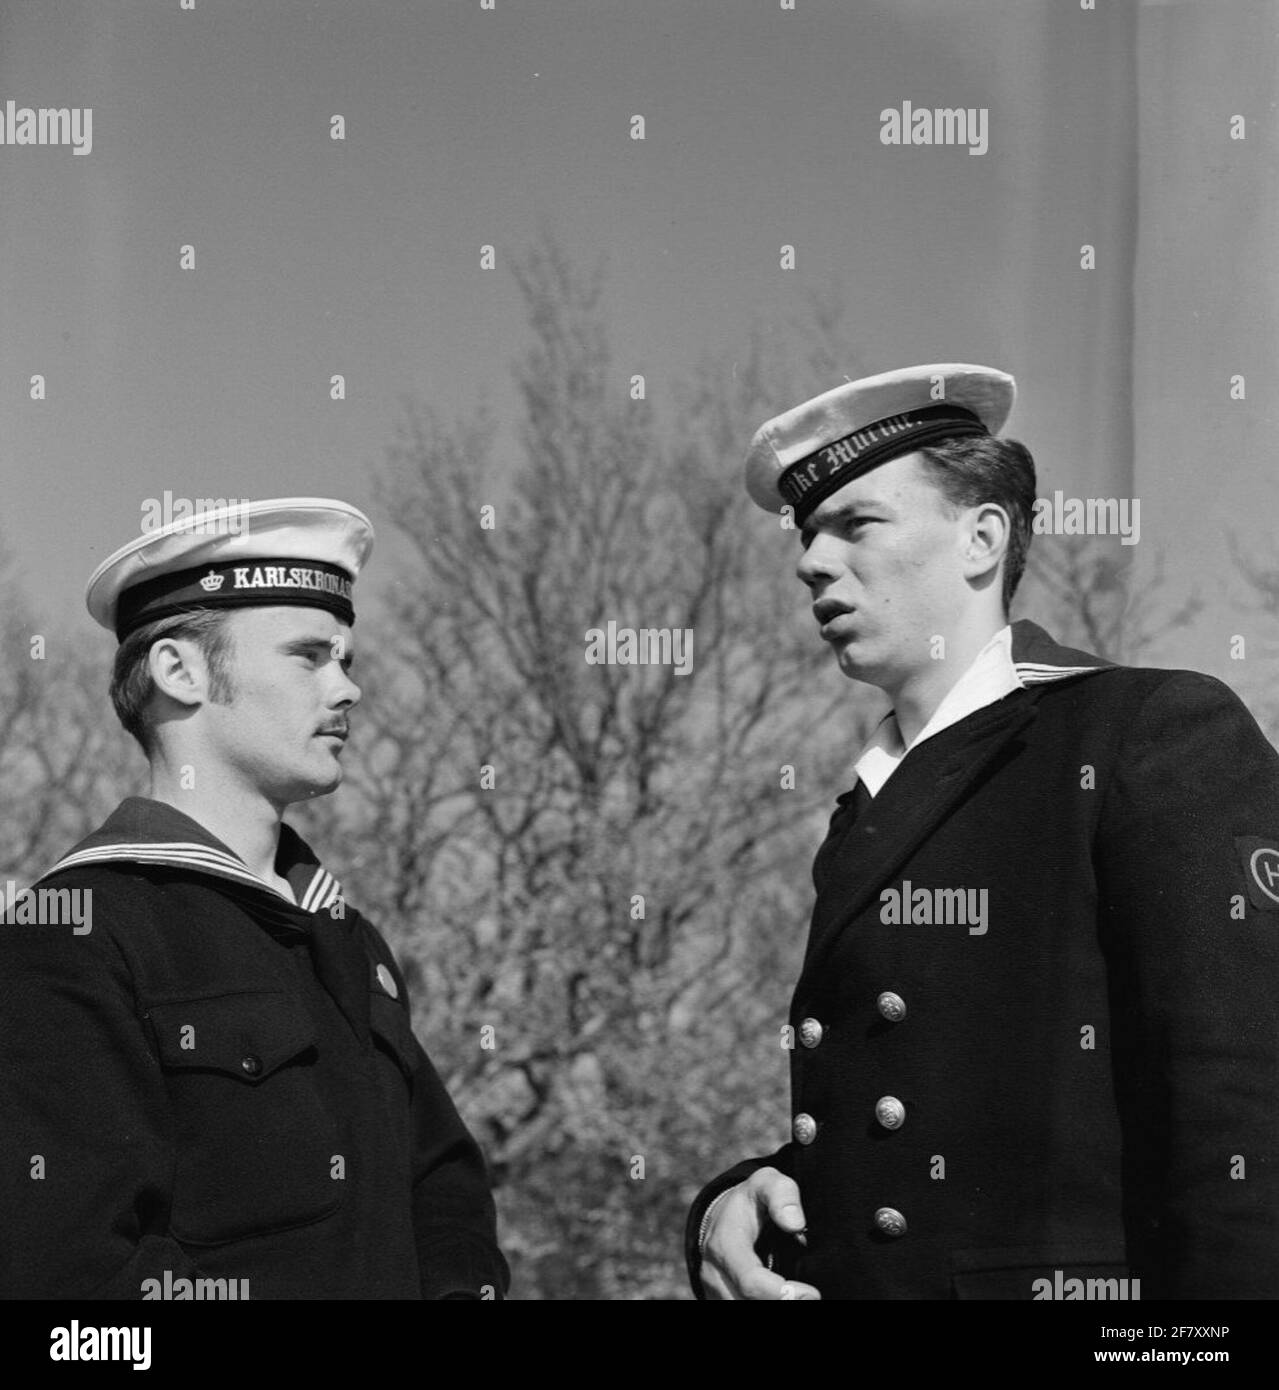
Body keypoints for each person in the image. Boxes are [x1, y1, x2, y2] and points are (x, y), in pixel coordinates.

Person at [685, 365, 1279, 1301]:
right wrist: (729, 1205)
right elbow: (914, 1134)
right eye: (807, 535)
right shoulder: (867, 804)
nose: (811, 560)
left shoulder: (1146, 732)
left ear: (981, 536)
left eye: (857, 524)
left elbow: (1243, 1107)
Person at [0, 498, 508, 1300]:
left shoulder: (351, 941)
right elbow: (64, 1276)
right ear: (180, 671)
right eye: (310, 658)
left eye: (346, 659)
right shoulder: (72, 934)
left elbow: (443, 1189)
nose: (349, 690)